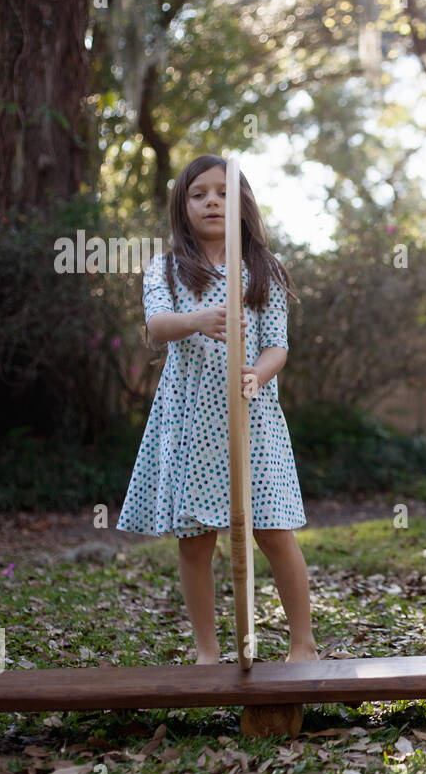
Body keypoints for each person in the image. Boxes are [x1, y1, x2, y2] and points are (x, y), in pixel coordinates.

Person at [116, 154, 318, 665]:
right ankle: (207, 652)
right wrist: (198, 319)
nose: (212, 201)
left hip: (252, 417)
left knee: (273, 530)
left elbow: (278, 345)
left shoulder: (262, 270)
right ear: (182, 206)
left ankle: (303, 644)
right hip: (189, 421)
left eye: (224, 193)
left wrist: (258, 374)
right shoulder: (166, 267)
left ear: (241, 204)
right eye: (199, 193)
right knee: (196, 538)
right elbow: (157, 325)